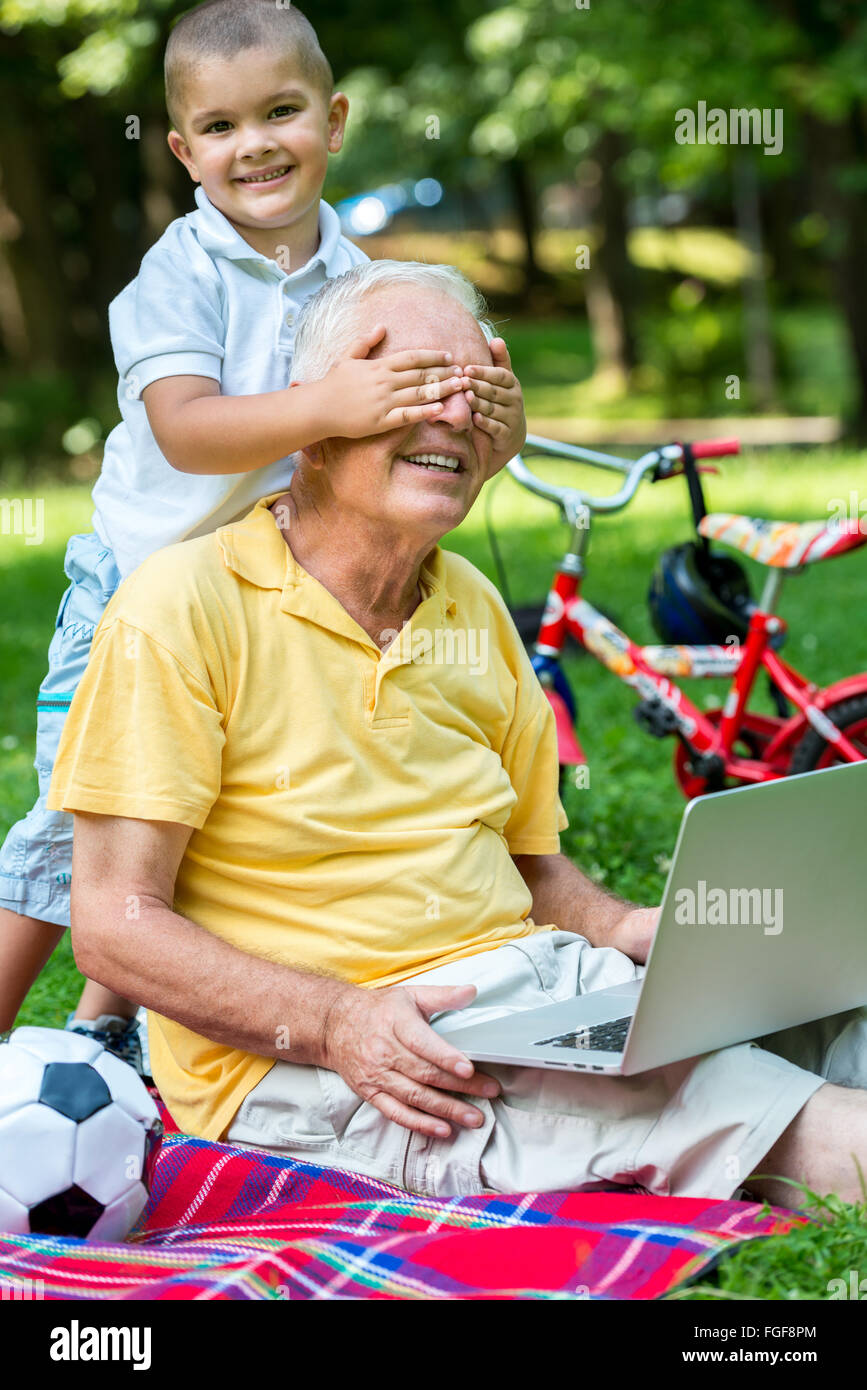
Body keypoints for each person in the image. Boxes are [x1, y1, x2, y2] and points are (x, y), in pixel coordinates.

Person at [47, 260, 867, 1206]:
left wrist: (637, 932)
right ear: (313, 422)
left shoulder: (470, 604)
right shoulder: (181, 606)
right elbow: (112, 925)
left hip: (535, 996)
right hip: (341, 1067)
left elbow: (528, 868)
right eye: (408, 386)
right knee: (761, 1108)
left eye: (474, 391)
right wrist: (335, 1021)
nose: (448, 417)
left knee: (832, 999)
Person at [0, 0, 526, 1069]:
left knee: (196, 813)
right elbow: (188, 432)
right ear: (186, 151)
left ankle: (106, 1036)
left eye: (280, 112)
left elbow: (408, 438)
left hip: (270, 596)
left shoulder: (364, 281)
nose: (257, 146)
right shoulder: (176, 278)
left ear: (333, 122)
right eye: (224, 127)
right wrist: (335, 401)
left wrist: (496, 429)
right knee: (76, 831)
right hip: (137, 592)